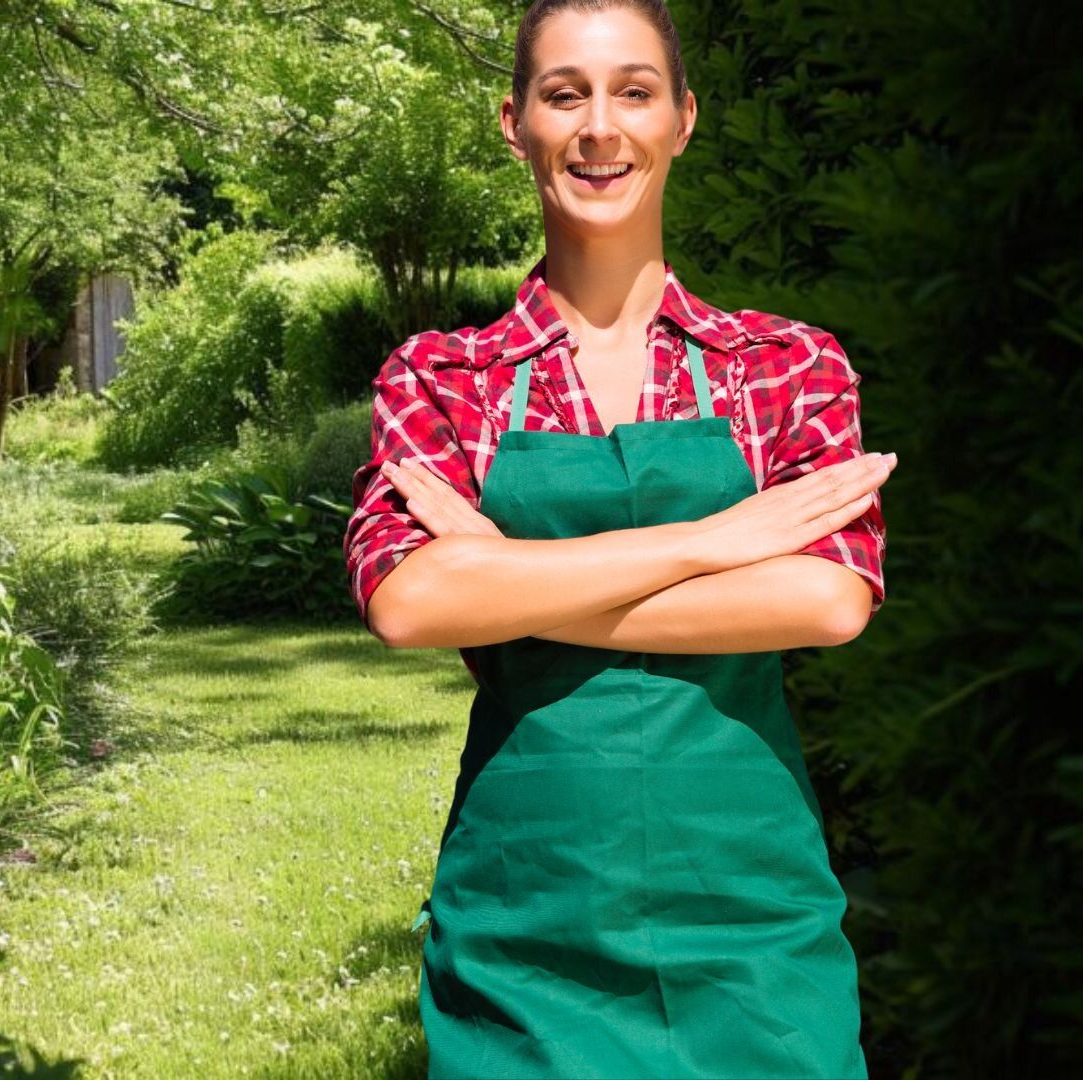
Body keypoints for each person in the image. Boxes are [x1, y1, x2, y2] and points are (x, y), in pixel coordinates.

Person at [341, 1, 892, 1077]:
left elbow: (827, 602)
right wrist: (720, 540)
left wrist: (501, 572)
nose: (601, 128)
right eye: (565, 94)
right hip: (523, 934)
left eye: (634, 91)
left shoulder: (786, 365)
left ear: (683, 118)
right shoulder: (441, 377)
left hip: (754, 932)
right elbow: (406, 604)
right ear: (516, 123)